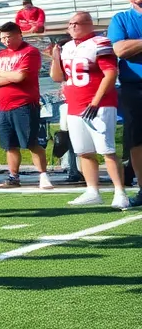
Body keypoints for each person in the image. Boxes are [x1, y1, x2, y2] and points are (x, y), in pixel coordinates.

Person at [50, 13, 129, 209]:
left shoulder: (100, 42)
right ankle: (92, 190)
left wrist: (96, 101)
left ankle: (120, 192)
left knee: (107, 150)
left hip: (98, 104)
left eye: (76, 23)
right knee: (83, 151)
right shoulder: (67, 47)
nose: (72, 27)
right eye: (69, 24)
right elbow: (57, 76)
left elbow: (110, 73)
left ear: (88, 24)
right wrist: (55, 57)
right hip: (74, 104)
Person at [0, 22, 52, 189]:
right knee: (9, 145)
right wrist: (10, 76)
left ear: (18, 35)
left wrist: (0, 74)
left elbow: (20, 77)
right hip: (3, 106)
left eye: (8, 37)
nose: (5, 41)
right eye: (2, 38)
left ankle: (43, 176)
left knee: (31, 142)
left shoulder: (30, 52)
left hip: (24, 104)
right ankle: (13, 177)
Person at [107, 0, 142, 207]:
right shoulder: (121, 19)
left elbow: (129, 47)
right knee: (137, 141)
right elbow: (120, 49)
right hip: (134, 87)